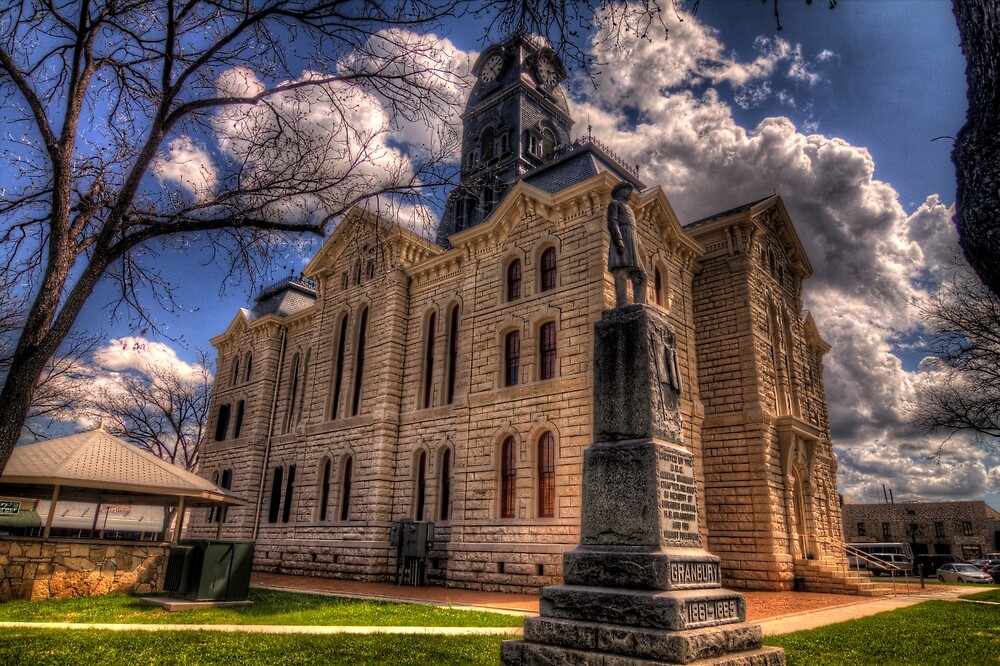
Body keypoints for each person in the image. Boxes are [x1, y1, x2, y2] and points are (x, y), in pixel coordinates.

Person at [606, 181, 647, 308]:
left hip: (632, 240)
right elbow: (612, 222)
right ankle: (621, 302)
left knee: (641, 275)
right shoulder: (615, 204)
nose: (630, 192)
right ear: (619, 192)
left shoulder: (629, 209)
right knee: (621, 270)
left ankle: (640, 304)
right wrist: (618, 240)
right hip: (622, 237)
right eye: (627, 189)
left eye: (631, 189)